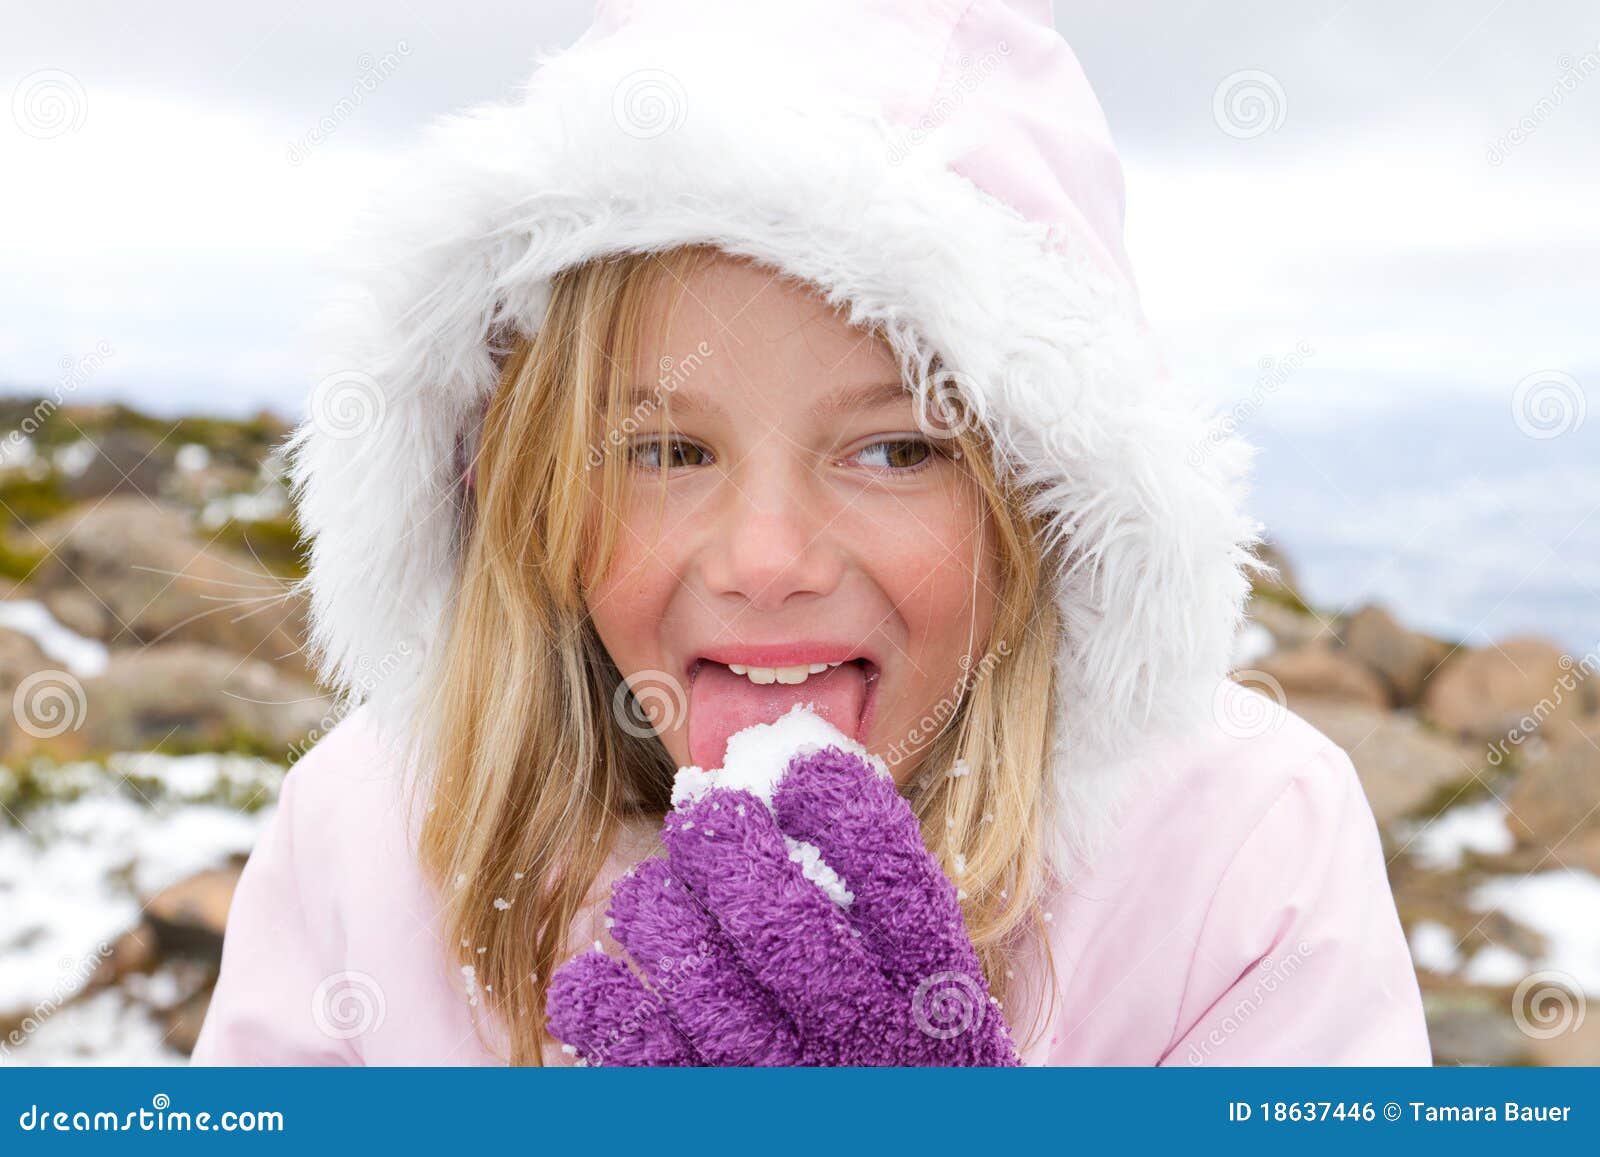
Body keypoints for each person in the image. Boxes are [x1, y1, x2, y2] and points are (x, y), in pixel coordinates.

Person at [191, 0, 1432, 1066]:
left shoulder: (1241, 852)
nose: (767, 560)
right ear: (531, 500)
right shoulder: (368, 838)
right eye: (665, 451)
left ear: (1044, 509)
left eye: (897, 450)